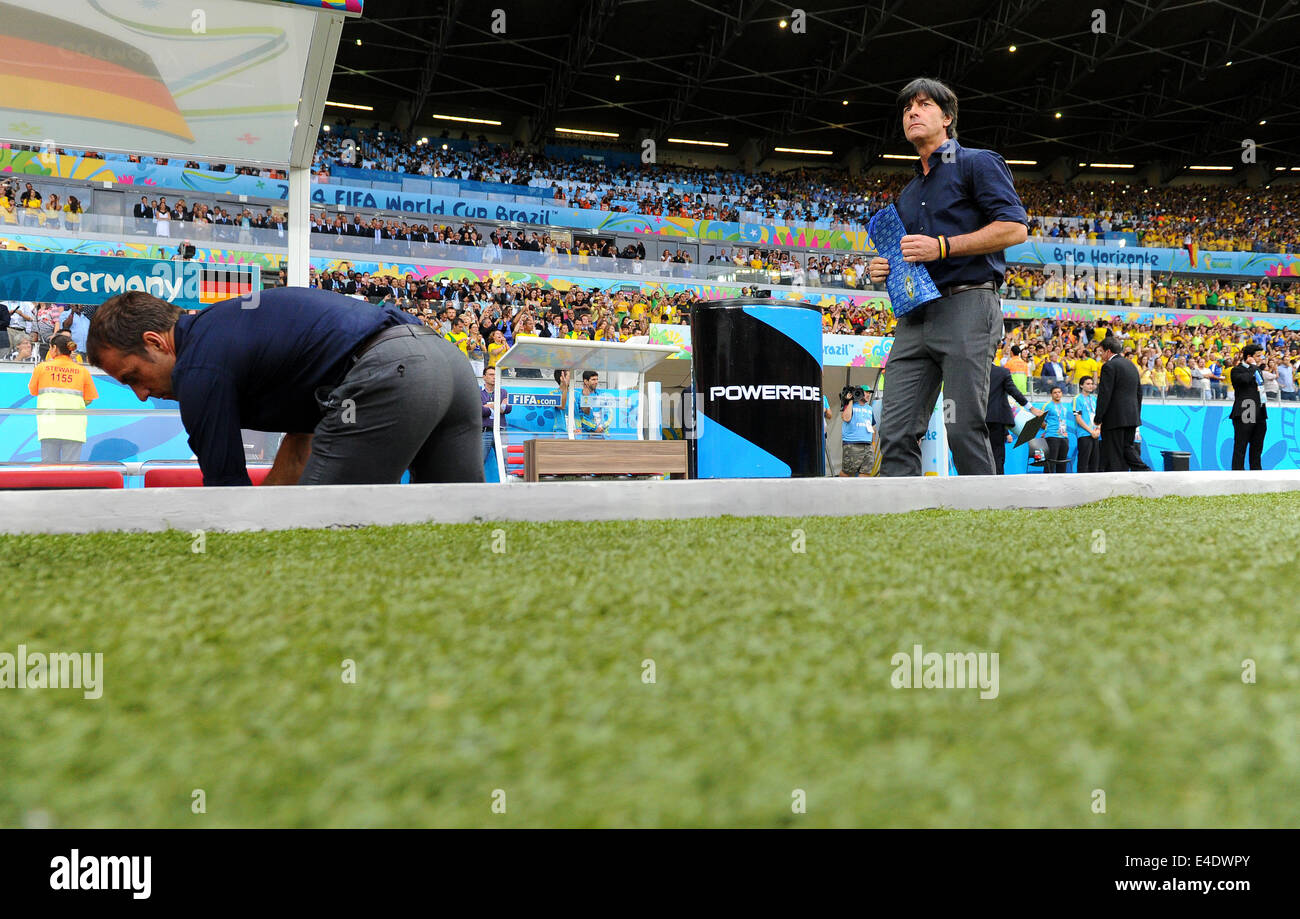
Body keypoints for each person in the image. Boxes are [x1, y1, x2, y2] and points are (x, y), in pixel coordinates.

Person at [86, 287, 484, 486]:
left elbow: (228, 492)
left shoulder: (199, 366)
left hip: (394, 372)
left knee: (319, 532)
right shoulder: (236, 335)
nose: (140, 393)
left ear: (156, 342)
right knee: (458, 523)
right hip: (448, 363)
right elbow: (297, 451)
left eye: (133, 376)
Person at [869, 77, 1029, 476]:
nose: (912, 113)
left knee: (963, 427)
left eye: (923, 105)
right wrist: (883, 268)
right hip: (916, 314)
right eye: (907, 108)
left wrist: (942, 246)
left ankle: (985, 523)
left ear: (947, 118)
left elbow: (1015, 228)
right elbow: (910, 256)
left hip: (968, 305)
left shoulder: (977, 162)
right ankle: (900, 525)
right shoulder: (907, 193)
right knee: (895, 430)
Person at [28, 331, 98, 462]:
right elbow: (89, 398)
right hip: (74, 426)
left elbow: (33, 391)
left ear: (54, 348)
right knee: (70, 473)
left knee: (48, 471)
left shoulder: (42, 368)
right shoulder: (82, 371)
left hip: (49, 424)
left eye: (50, 347)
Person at [985, 359, 1042, 474]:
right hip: (996, 419)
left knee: (981, 453)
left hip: (977, 418)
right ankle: (997, 481)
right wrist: (1031, 408)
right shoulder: (1002, 372)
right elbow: (1014, 391)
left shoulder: (974, 373)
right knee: (997, 453)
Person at [1095, 336, 1142, 472]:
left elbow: (1104, 394)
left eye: (1101, 351)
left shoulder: (1108, 366)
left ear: (1108, 351)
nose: (1100, 355)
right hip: (1131, 417)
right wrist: (1136, 414)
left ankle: (1117, 483)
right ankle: (1145, 471)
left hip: (1114, 418)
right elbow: (1139, 393)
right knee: (1127, 448)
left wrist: (1098, 417)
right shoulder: (1131, 365)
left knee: (1113, 452)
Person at [1229, 344, 1267, 470]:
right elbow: (1244, 380)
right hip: (1246, 409)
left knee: (1257, 446)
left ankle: (1256, 473)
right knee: (1241, 446)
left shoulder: (1257, 370)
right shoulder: (1237, 370)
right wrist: (1253, 367)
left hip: (1260, 410)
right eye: (1257, 356)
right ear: (1249, 357)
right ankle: (1238, 474)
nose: (1260, 358)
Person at [839, 385, 875, 476]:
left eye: (869, 393)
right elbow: (846, 418)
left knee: (866, 472)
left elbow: (872, 427)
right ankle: (841, 489)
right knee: (847, 472)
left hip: (868, 445)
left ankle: (861, 490)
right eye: (866, 392)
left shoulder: (870, 408)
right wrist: (850, 400)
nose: (868, 395)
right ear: (860, 393)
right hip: (852, 444)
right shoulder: (850, 405)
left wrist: (873, 443)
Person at [480, 364, 510, 470]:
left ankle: (507, 486)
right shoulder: (478, 392)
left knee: (504, 462)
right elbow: (481, 411)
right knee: (479, 462)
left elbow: (507, 409)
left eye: (496, 375)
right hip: (485, 432)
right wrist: (498, 405)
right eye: (491, 374)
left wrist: (488, 405)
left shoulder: (503, 392)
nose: (494, 377)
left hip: (501, 432)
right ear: (484, 376)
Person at [1072, 375, 1101, 473]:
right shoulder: (1077, 399)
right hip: (1084, 434)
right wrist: (1091, 431)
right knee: (1084, 463)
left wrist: (1098, 430)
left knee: (1095, 463)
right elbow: (1078, 418)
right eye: (1088, 384)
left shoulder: (1094, 399)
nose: (1090, 386)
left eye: (1092, 384)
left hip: (1096, 434)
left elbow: (1098, 416)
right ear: (1081, 385)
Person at [1038, 385, 1071, 472]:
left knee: (1062, 462)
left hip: (1064, 436)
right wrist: (1047, 429)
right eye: (1055, 393)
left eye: (1059, 392)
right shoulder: (1047, 405)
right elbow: (1040, 420)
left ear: (1062, 394)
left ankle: (1061, 483)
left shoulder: (1064, 407)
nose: (1057, 394)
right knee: (1051, 461)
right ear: (1051, 395)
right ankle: (1047, 482)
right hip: (1052, 436)